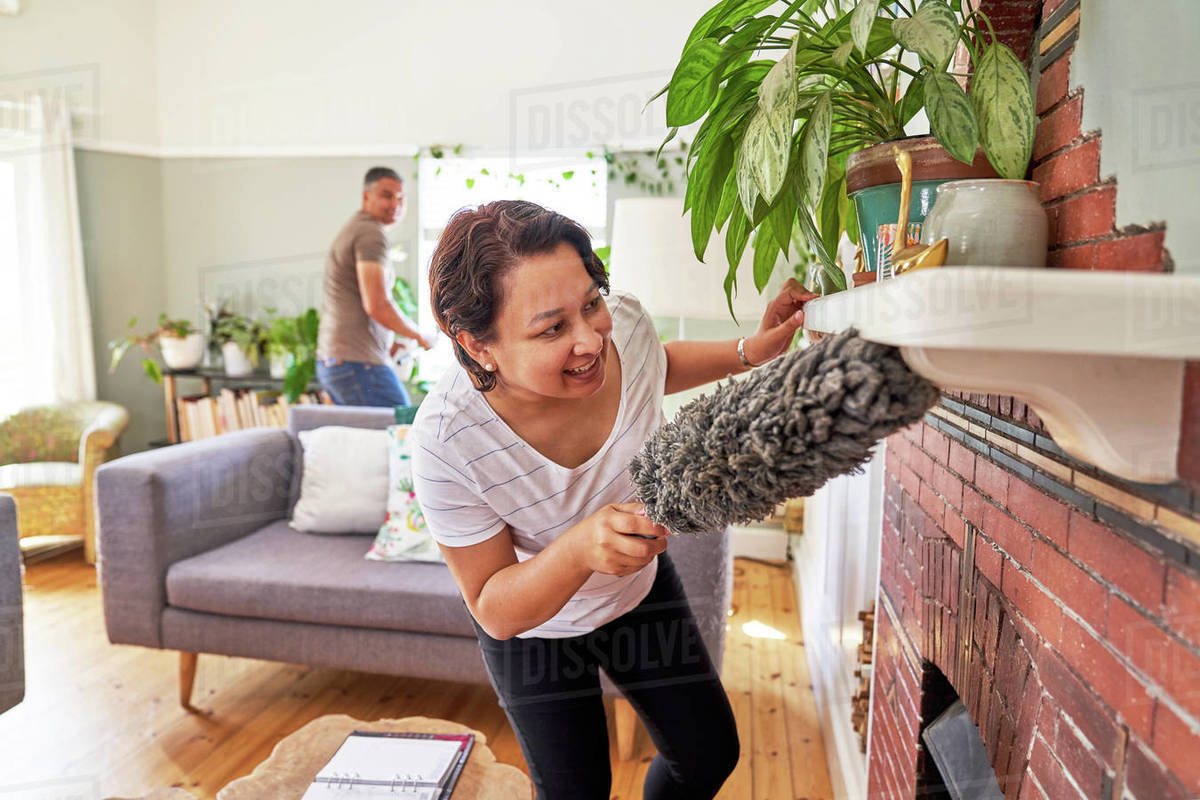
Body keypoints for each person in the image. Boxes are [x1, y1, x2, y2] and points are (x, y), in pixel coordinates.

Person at [410, 200, 815, 800]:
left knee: (708, 755)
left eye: (590, 302)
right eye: (552, 328)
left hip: (638, 594)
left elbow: (655, 361)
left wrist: (750, 352)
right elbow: (493, 605)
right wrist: (579, 550)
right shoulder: (448, 441)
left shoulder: (622, 325)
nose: (589, 339)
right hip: (536, 637)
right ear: (478, 346)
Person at [316, 166, 436, 406]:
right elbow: (377, 304)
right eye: (387, 195)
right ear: (366, 196)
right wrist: (419, 334)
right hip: (357, 364)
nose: (396, 204)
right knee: (403, 431)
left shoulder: (356, 228)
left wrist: (388, 344)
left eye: (401, 198)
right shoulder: (371, 233)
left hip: (340, 361)